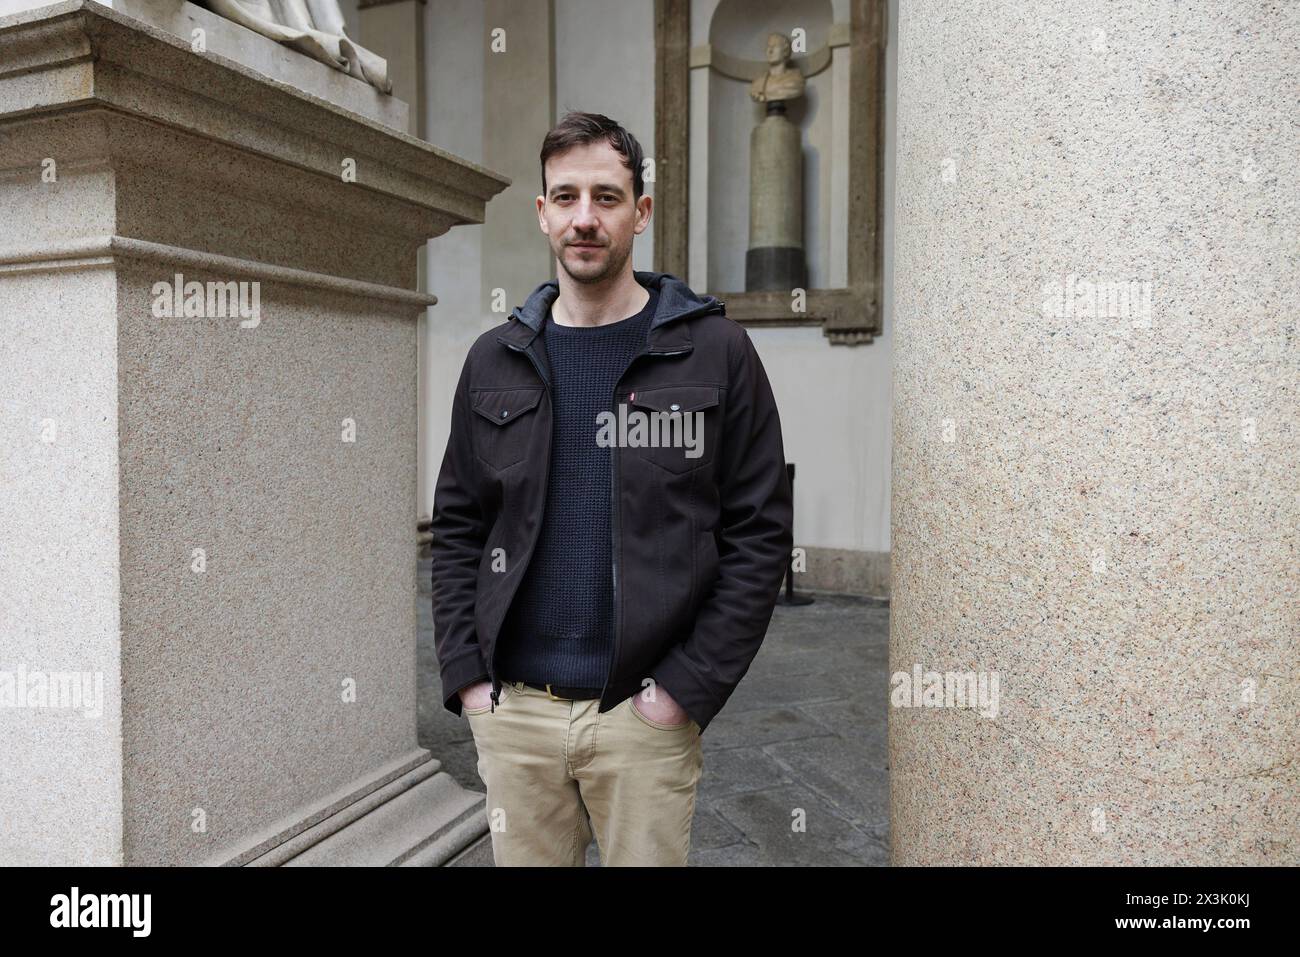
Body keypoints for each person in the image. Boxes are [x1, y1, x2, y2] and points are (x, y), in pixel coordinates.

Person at [429, 111, 792, 866]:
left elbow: (759, 534)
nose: (584, 218)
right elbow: (462, 524)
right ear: (542, 213)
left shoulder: (716, 351)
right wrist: (467, 678)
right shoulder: (495, 358)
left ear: (642, 212)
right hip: (515, 713)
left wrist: (682, 692)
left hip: (643, 715)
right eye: (565, 197)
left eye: (606, 196)